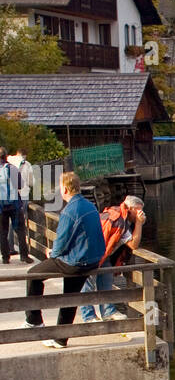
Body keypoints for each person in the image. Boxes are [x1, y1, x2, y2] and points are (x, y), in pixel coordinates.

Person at [25, 171, 105, 349]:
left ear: (66, 189)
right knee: (70, 295)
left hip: (75, 262)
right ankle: (61, 339)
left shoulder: (70, 211)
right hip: (92, 260)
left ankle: (34, 319)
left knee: (33, 275)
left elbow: (61, 240)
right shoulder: (90, 205)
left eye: (60, 187)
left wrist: (53, 254)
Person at [80, 195, 146, 323]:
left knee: (106, 280)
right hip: (89, 253)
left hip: (102, 253)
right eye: (138, 210)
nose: (141, 213)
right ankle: (88, 316)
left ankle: (108, 311)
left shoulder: (116, 212)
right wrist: (139, 223)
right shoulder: (121, 221)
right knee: (87, 285)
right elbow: (133, 244)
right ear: (130, 208)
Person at [0, 149, 29, 264]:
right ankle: (24, 256)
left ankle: (5, 258)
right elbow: (21, 185)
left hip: (1, 207)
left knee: (2, 232)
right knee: (20, 230)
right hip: (14, 205)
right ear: (6, 156)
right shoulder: (11, 168)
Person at [7, 147, 33, 264]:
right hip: (23, 195)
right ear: (25, 155)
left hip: (9, 197)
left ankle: (10, 248)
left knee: (9, 224)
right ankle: (25, 252)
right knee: (21, 225)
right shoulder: (27, 165)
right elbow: (31, 182)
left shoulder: (8, 161)